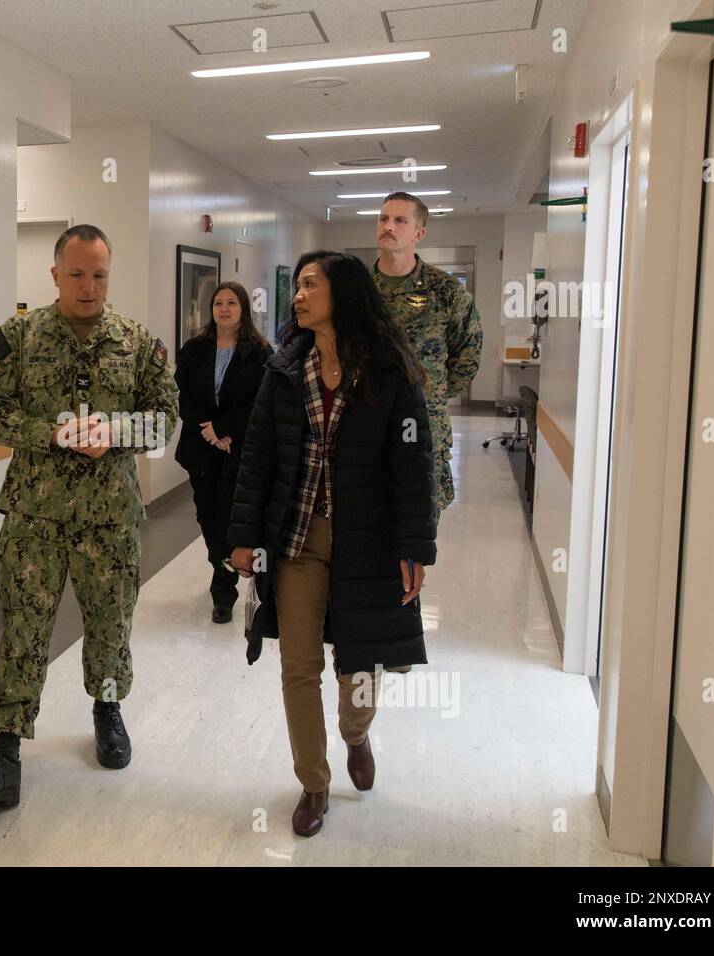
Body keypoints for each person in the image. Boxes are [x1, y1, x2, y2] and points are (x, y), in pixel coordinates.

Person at [0, 224, 180, 807]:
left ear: (111, 275)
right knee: (23, 631)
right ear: (55, 274)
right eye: (77, 274)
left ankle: (108, 712)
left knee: (111, 625)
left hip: (109, 518)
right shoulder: (18, 338)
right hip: (36, 516)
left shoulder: (136, 341)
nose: (89, 286)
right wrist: (52, 433)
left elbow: (164, 420)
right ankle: (4, 751)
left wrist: (117, 432)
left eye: (99, 275)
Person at [228, 250, 437, 838]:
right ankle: (313, 782)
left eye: (311, 284)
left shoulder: (390, 371)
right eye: (296, 286)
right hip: (296, 539)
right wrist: (243, 537)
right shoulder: (284, 370)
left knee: (359, 668)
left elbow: (412, 462)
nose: (299, 294)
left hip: (365, 541)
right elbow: (258, 457)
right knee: (298, 664)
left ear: (343, 293)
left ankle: (355, 732)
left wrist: (414, 545)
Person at [371, 191, 483, 515]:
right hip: (367, 424)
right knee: (366, 521)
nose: (388, 226)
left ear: (419, 234)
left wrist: (435, 392)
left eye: (399, 220)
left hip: (423, 426)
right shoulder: (357, 289)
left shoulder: (444, 290)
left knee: (417, 522)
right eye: (383, 218)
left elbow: (469, 349)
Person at [173, 281, 273, 623]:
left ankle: (223, 591)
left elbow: (261, 401)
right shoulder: (195, 349)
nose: (224, 309)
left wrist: (225, 428)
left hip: (240, 450)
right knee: (207, 517)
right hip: (201, 450)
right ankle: (226, 563)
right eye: (218, 303)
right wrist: (210, 430)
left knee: (232, 518)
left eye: (232, 303)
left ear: (243, 309)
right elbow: (181, 395)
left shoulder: (259, 352)